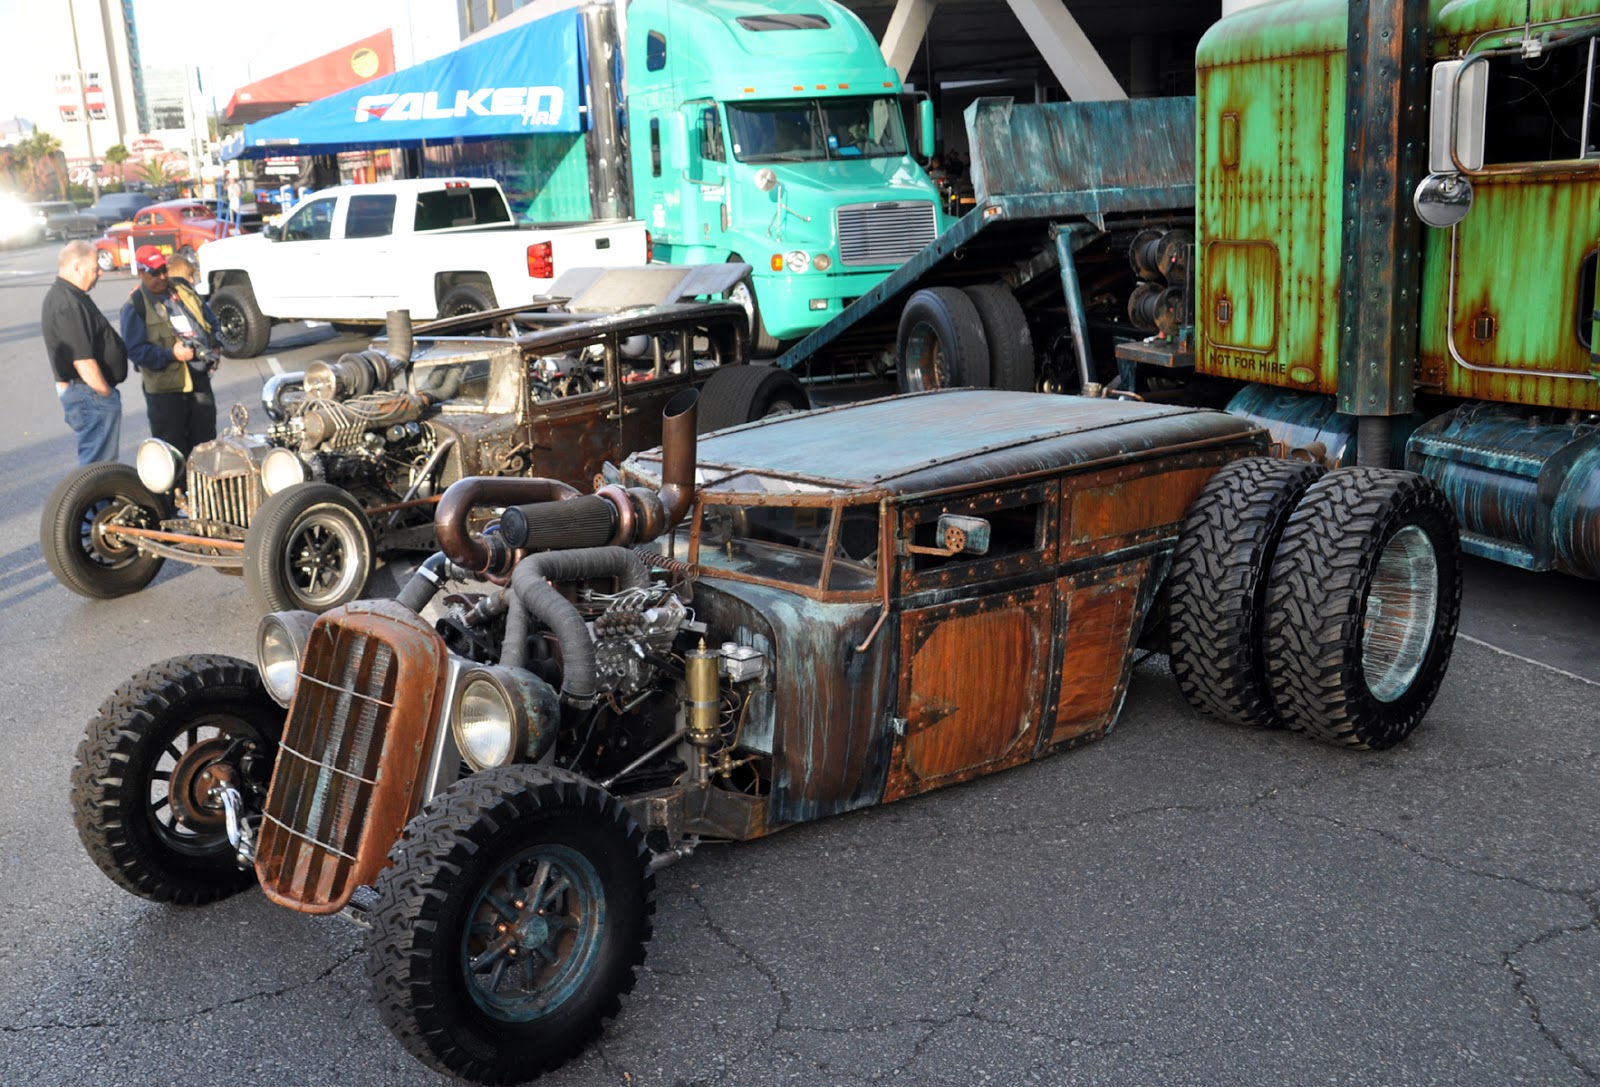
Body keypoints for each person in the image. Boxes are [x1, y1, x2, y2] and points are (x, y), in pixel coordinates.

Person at [121, 244, 220, 457]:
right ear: (141, 273)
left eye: (164, 270)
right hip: (166, 393)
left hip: (199, 380)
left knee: (206, 444)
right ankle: (178, 490)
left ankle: (206, 489)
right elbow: (136, 351)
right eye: (155, 273)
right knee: (172, 451)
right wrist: (171, 354)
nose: (162, 277)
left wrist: (215, 347)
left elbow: (209, 319)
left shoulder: (183, 289)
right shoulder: (134, 306)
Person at [42, 239, 127, 464]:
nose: (99, 272)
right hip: (89, 392)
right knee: (97, 468)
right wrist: (105, 395)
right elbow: (83, 360)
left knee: (99, 465)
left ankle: (99, 499)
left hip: (88, 392)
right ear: (77, 267)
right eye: (95, 267)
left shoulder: (70, 297)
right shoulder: (67, 304)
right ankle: (96, 501)